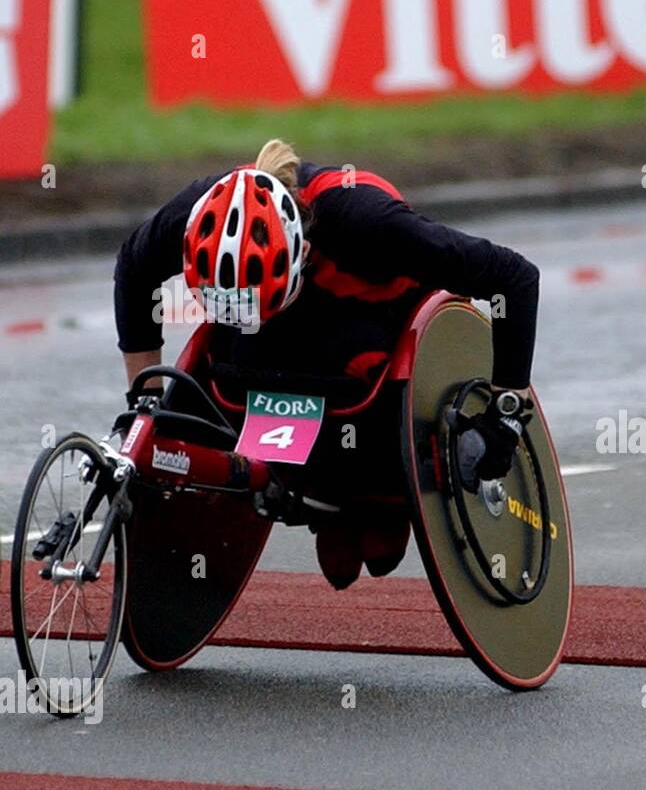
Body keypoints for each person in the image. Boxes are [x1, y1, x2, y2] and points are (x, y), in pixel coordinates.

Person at [113, 139, 541, 590]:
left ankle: (374, 497)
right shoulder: (195, 214)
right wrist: (145, 400)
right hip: (278, 330)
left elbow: (515, 278)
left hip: (372, 321)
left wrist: (506, 414)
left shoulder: (371, 224)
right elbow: (134, 268)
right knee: (234, 365)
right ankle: (320, 492)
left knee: (373, 531)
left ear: (298, 252)